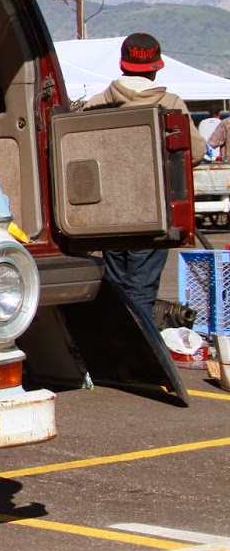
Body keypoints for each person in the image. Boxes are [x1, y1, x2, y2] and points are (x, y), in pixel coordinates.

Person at [84, 32, 207, 330]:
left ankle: (113, 352)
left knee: (114, 286)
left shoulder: (97, 104)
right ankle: (139, 357)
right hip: (153, 214)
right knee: (142, 289)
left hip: (108, 215)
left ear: (121, 65)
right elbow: (196, 152)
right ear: (156, 67)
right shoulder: (171, 103)